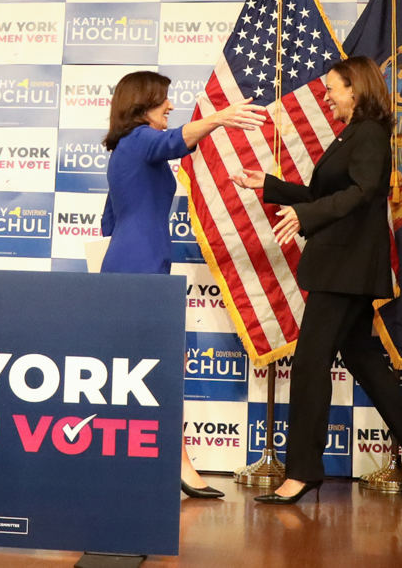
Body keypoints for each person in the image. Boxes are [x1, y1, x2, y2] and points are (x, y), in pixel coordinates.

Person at [231, 56, 402, 504]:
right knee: (364, 361)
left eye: (332, 88)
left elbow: (363, 192)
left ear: (355, 89)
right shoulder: (352, 134)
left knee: (312, 365)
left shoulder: (369, 132)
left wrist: (305, 216)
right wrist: (271, 185)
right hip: (345, 267)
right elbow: (326, 194)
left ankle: (302, 472)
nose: (326, 96)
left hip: (346, 269)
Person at [101, 70, 265, 498]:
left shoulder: (123, 150)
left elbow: (109, 222)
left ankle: (169, 463)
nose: (170, 106)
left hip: (129, 262)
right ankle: (179, 465)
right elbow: (174, 141)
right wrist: (220, 117)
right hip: (142, 267)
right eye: (162, 100)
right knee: (157, 371)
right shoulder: (138, 140)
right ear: (140, 106)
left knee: (145, 373)